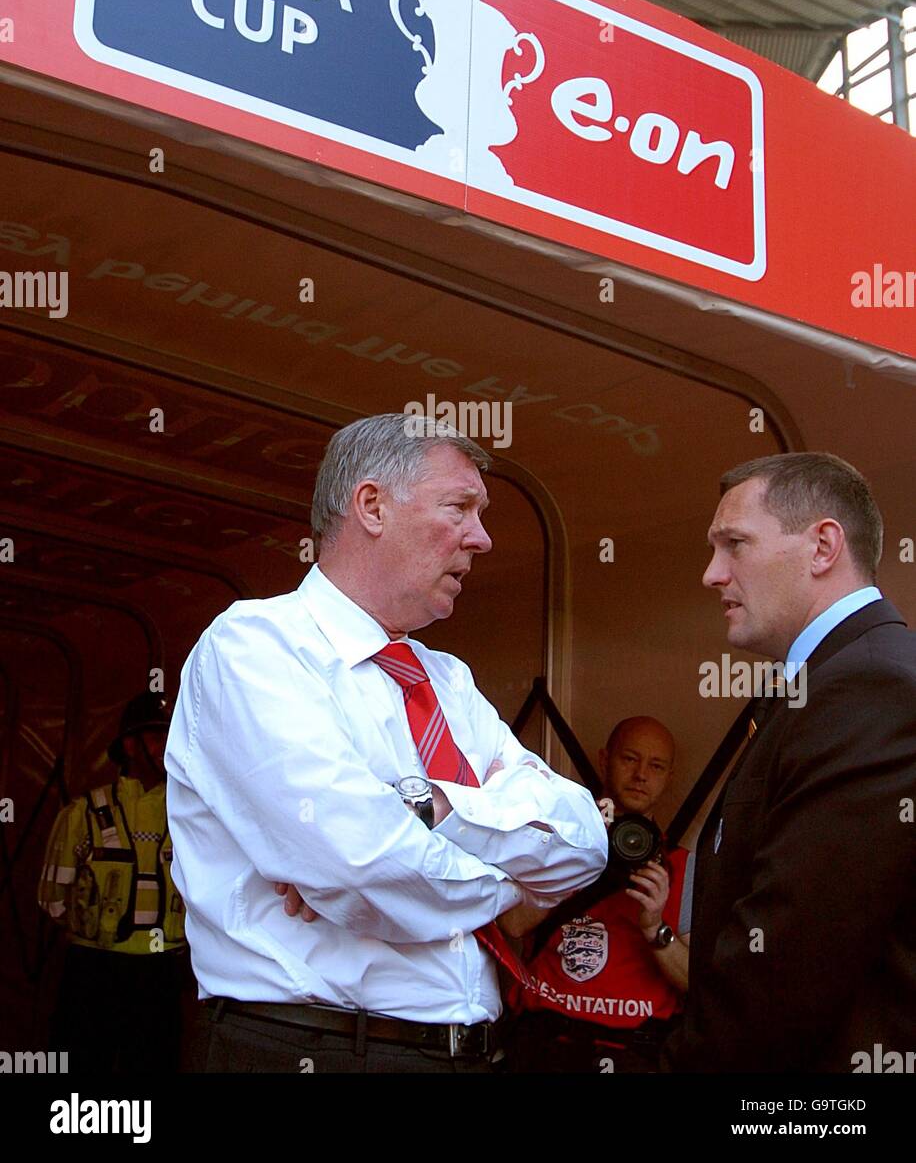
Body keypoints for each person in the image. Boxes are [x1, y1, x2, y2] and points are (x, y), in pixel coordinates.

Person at [166, 413, 608, 1073]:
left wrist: (433, 811)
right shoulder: (254, 646)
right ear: (371, 505)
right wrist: (513, 874)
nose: (482, 539)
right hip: (307, 1049)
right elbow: (363, 867)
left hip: (469, 1052)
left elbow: (585, 842)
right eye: (460, 507)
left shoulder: (448, 679)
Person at [662, 451, 916, 1073]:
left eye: (734, 544)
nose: (711, 574)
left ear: (823, 546)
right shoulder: (838, 678)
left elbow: (789, 958)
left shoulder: (868, 685)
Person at [505, 716, 692, 1073]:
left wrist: (655, 928)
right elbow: (512, 924)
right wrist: (580, 861)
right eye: (630, 759)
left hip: (634, 1053)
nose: (641, 775)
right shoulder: (553, 841)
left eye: (656, 766)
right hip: (545, 1046)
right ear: (605, 760)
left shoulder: (682, 866)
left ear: (668, 777)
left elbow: (697, 985)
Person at [38, 692, 188, 1073]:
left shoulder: (191, 819)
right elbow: (53, 900)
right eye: (155, 736)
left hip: (163, 975)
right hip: (93, 973)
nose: (165, 747)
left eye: (171, 735)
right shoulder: (83, 814)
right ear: (128, 744)